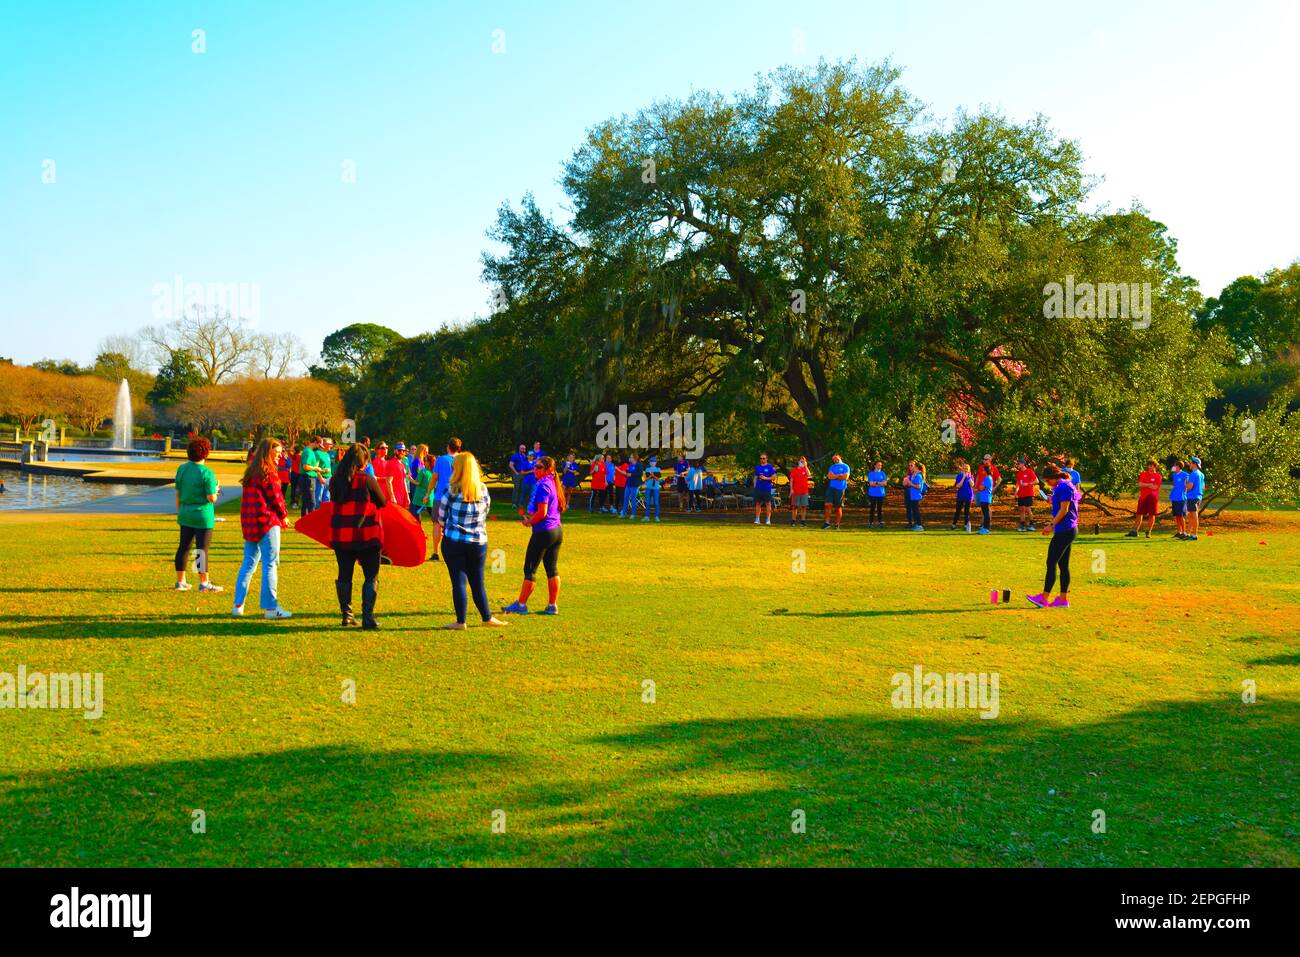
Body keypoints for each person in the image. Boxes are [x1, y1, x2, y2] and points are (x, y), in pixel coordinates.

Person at [435, 451, 508, 630]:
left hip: (454, 541)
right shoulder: (482, 489)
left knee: (458, 581)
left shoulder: (451, 489)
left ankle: (461, 621)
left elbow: (441, 517)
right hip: (478, 542)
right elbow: (486, 511)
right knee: (477, 582)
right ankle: (487, 617)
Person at [328, 444, 387, 629]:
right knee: (371, 576)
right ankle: (367, 617)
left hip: (342, 534)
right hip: (366, 534)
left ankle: (347, 615)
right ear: (363, 461)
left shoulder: (335, 480)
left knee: (344, 575)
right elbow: (382, 502)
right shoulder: (367, 479)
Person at [232, 437, 292, 619]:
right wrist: (284, 516)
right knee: (270, 563)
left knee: (248, 563)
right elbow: (276, 498)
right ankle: (271, 608)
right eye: (277, 453)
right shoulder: (269, 473)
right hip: (266, 522)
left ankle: (238, 605)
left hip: (250, 524)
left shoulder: (251, 472)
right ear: (268, 452)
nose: (279, 457)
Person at [501, 456, 564, 616]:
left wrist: (530, 522)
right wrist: (532, 518)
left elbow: (542, 512)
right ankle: (552, 605)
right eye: (535, 466)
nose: (535, 469)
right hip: (556, 531)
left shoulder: (543, 486)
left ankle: (521, 605)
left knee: (530, 569)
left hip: (544, 532)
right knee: (552, 569)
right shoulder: (552, 483)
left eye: (539, 467)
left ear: (549, 470)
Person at [173, 436, 223, 592]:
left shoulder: (182, 469)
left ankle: (181, 582)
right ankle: (204, 582)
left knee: (184, 547)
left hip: (185, 513)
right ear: (206, 453)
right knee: (201, 549)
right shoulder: (207, 473)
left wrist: (179, 511)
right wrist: (216, 490)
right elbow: (211, 498)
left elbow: (178, 493)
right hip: (202, 515)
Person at [1027, 464, 1077, 609]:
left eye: (1048, 480)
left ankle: (1044, 598)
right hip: (1068, 530)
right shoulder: (1062, 486)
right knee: (1063, 565)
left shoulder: (1065, 486)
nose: (1047, 483)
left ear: (1054, 477)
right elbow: (1062, 504)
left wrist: (1051, 525)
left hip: (1065, 530)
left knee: (1051, 563)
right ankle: (1062, 600)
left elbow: (1064, 509)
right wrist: (1051, 499)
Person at [427, 437, 460, 561]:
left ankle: (436, 553)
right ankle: (452, 553)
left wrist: (428, 493)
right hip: (456, 496)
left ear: (448, 447)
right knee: (453, 525)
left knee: (437, 524)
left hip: (440, 496)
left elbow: (435, 477)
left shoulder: (441, 459)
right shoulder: (461, 460)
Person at [1128, 459, 1163, 538]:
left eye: (1151, 466)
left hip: (1153, 497)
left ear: (1155, 466)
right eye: (1149, 465)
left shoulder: (1158, 476)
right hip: (1143, 497)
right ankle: (1135, 531)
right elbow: (1140, 484)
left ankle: (1149, 531)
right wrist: (1149, 484)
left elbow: (1155, 487)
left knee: (1151, 514)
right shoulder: (1143, 474)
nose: (1149, 467)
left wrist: (1146, 485)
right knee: (1139, 514)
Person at [822, 454, 849, 530]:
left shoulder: (845, 466)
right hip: (831, 488)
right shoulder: (832, 467)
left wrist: (835, 476)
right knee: (828, 504)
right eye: (833, 459)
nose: (835, 459)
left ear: (840, 457)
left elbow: (845, 477)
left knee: (838, 507)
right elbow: (830, 477)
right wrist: (839, 476)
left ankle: (837, 524)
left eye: (836, 458)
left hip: (840, 489)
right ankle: (827, 523)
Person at [1014, 457, 1039, 531]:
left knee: (1028, 509)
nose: (1017, 465)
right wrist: (1016, 491)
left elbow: (1037, 481)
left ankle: (1031, 525)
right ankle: (1022, 526)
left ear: (1023, 464)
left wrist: (1028, 483)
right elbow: (1018, 483)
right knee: (1021, 509)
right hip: (1021, 494)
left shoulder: (1029, 471)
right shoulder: (1019, 473)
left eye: (1018, 464)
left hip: (1028, 493)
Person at [1184, 456, 1205, 541]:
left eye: (1191, 463)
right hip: (1198, 496)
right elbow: (1203, 487)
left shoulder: (1193, 474)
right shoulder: (1201, 474)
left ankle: (1194, 535)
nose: (1189, 464)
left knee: (1194, 515)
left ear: (1194, 464)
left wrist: (1185, 483)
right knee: (1191, 516)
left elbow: (1189, 486)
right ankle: (1189, 533)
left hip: (1192, 496)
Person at [753, 453, 776, 525]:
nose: (762, 460)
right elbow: (755, 477)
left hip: (767, 488)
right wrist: (755, 485)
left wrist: (766, 478)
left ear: (766, 459)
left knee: (768, 503)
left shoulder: (770, 467)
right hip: (758, 488)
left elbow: (774, 477)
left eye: (763, 458)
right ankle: (757, 519)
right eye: (761, 458)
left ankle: (768, 519)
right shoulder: (758, 467)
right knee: (758, 503)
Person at [951, 460, 974, 532]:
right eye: (964, 468)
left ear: (969, 470)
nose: (966, 469)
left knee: (967, 512)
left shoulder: (971, 476)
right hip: (961, 496)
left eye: (967, 468)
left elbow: (972, 485)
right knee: (958, 511)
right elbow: (958, 486)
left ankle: (966, 525)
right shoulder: (959, 476)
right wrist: (964, 477)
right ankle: (954, 524)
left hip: (969, 496)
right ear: (962, 469)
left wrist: (969, 477)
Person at [789, 455, 811, 527]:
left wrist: (806, 466)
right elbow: (791, 481)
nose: (802, 462)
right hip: (796, 490)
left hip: (804, 491)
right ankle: (793, 521)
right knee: (795, 506)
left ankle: (803, 521)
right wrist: (791, 489)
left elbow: (809, 474)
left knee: (803, 506)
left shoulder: (805, 469)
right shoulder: (794, 470)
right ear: (798, 462)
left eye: (803, 461)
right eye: (801, 461)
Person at [1168, 459, 1187, 539]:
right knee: (1176, 516)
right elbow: (1171, 470)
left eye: (1175, 466)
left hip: (1181, 498)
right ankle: (1179, 532)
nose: (1174, 467)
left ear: (1179, 467)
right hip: (1174, 498)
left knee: (1181, 516)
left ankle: (1184, 532)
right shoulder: (1174, 474)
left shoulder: (1185, 475)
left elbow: (1187, 486)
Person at [905, 460, 926, 531]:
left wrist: (910, 484)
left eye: (915, 467)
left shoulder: (919, 476)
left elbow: (918, 486)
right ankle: (917, 525)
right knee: (914, 511)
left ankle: (920, 526)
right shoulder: (916, 475)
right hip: (913, 496)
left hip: (916, 496)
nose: (914, 468)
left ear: (918, 468)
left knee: (916, 512)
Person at [620, 452, 643, 518]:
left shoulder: (639, 465)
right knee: (625, 498)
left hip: (634, 485)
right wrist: (627, 472)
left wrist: (631, 474)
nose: (629, 458)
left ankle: (633, 514)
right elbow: (629, 472)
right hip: (628, 484)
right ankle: (623, 513)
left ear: (635, 458)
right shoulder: (630, 465)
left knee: (633, 499)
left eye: (631, 457)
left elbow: (640, 473)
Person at [508, 444, 530, 510]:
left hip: (524, 474)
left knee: (522, 489)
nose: (523, 450)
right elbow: (511, 465)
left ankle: (520, 503)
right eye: (522, 448)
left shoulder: (525, 457)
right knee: (516, 488)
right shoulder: (515, 456)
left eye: (524, 449)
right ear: (519, 449)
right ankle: (514, 503)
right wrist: (515, 472)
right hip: (517, 474)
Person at [640, 455, 662, 522]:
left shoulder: (658, 469)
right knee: (648, 502)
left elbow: (658, 479)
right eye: (651, 461)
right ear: (650, 462)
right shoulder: (647, 469)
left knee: (656, 502)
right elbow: (645, 479)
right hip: (648, 488)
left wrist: (653, 476)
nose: (652, 462)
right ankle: (647, 516)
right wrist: (650, 476)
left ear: (656, 462)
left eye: (654, 461)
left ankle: (657, 517)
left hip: (656, 488)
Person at [866, 461, 887, 528]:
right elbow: (871, 484)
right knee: (872, 508)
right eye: (878, 465)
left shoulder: (883, 473)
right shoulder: (871, 473)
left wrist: (876, 483)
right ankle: (871, 522)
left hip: (881, 494)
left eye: (881, 465)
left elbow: (885, 483)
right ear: (875, 465)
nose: (879, 466)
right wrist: (880, 483)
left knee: (879, 509)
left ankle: (880, 522)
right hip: (872, 494)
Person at [976, 463, 994, 534]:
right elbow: (981, 487)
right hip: (984, 498)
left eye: (983, 470)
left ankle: (986, 528)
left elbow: (981, 487)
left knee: (986, 514)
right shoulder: (986, 478)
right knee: (985, 513)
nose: (982, 471)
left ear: (986, 471)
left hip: (986, 498)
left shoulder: (988, 478)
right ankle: (985, 527)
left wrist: (979, 487)